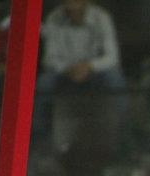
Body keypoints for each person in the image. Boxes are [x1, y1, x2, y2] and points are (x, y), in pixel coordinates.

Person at [35, 0, 127, 136]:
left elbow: (112, 57)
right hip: (66, 72)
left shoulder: (101, 17)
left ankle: (123, 134)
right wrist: (68, 68)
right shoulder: (54, 18)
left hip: (94, 71)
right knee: (43, 83)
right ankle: (38, 134)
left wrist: (89, 66)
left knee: (115, 80)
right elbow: (49, 59)